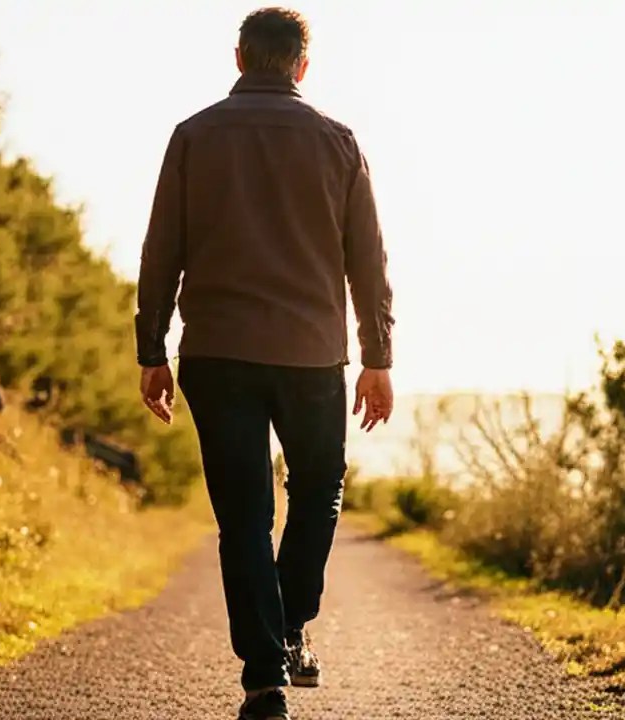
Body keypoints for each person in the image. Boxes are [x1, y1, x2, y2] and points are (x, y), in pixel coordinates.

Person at [135, 6, 395, 720]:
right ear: (303, 65)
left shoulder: (193, 136)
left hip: (216, 353)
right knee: (318, 488)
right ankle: (291, 624)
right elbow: (368, 260)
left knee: (244, 515)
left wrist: (151, 349)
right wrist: (378, 358)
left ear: (240, 57)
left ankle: (264, 678)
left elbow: (162, 250)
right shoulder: (338, 142)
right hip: (311, 355)